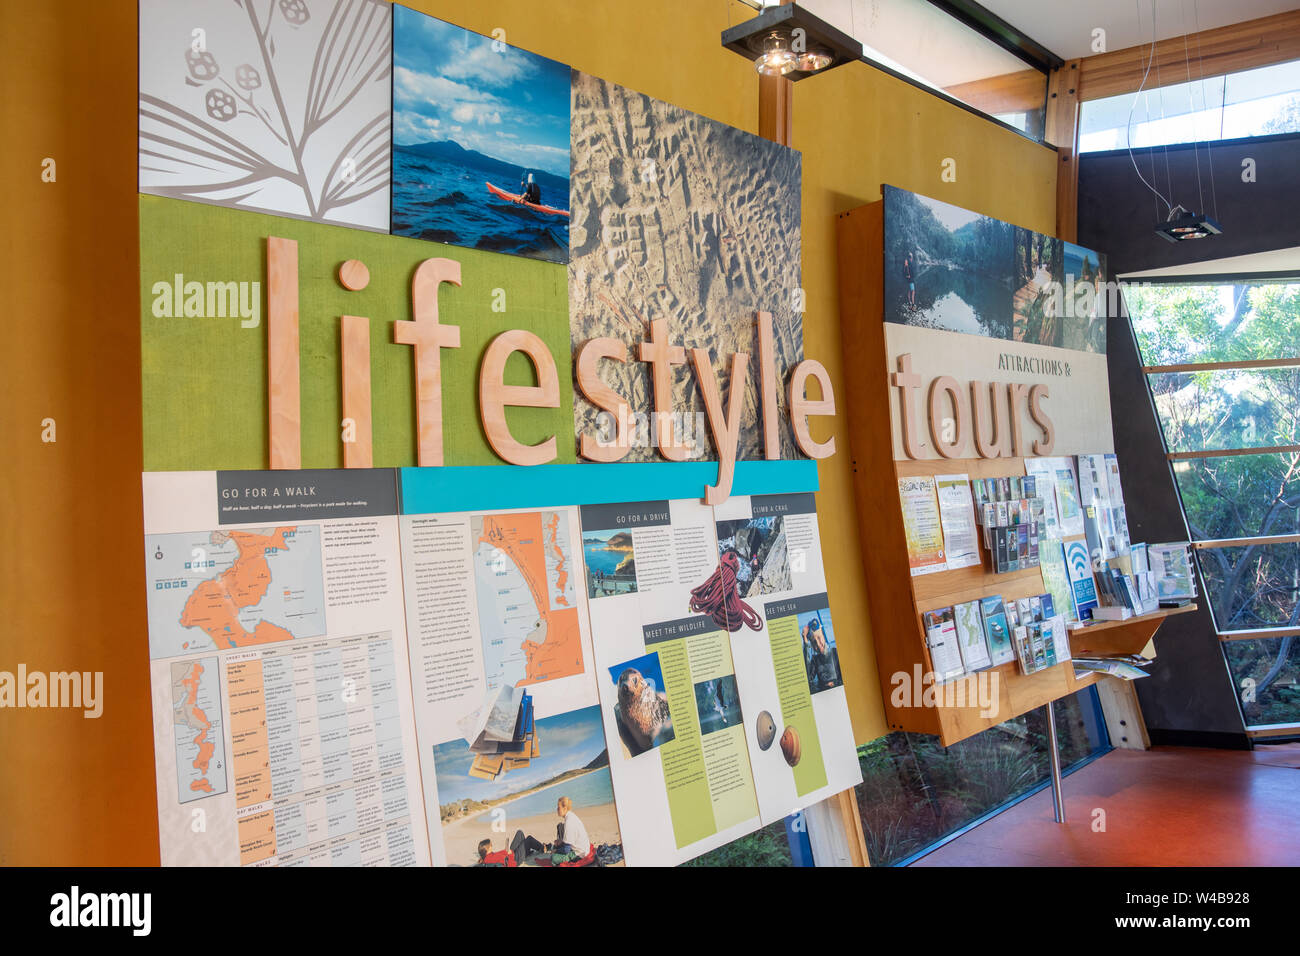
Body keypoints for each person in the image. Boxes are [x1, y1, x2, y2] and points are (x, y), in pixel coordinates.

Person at [553, 795, 591, 861]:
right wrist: (561, 841)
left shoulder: (568, 822)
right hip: (584, 848)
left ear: (564, 808)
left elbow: (566, 850)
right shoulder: (571, 815)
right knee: (557, 846)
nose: (557, 809)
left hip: (580, 853)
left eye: (558, 808)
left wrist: (555, 851)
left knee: (553, 858)